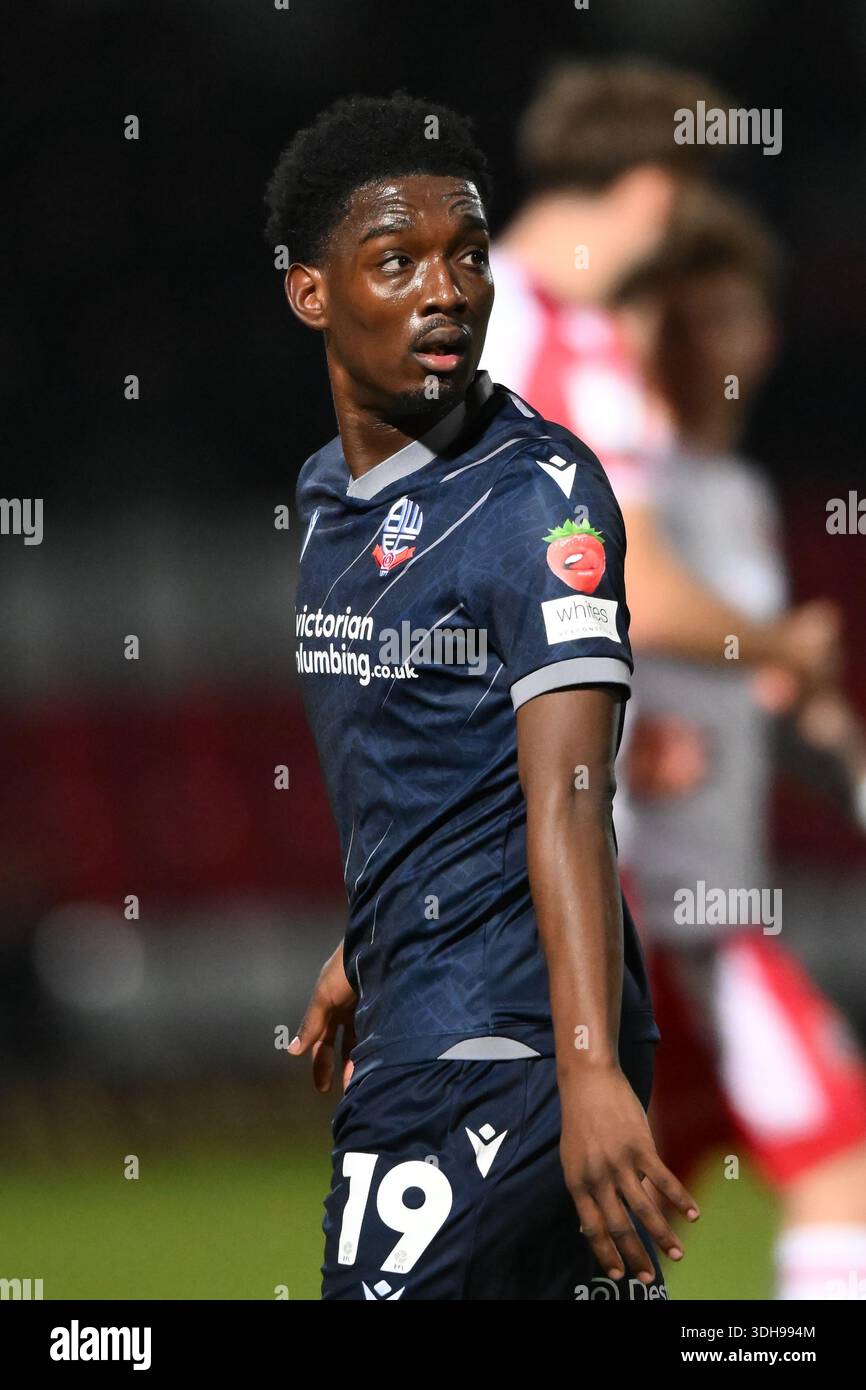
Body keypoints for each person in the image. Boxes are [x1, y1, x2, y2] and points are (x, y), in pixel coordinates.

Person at [263, 89, 698, 1300]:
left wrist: (587, 1074)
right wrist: (368, 937)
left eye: (464, 256)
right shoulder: (329, 503)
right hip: (436, 1012)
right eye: (396, 262)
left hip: (498, 1049)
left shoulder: (535, 500)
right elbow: (425, 755)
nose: (445, 291)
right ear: (311, 293)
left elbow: (566, 796)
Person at [610, 188, 866, 1302]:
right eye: (687, 316)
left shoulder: (735, 496)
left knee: (597, 1225)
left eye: (732, 315)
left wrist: (829, 742)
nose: (714, 342)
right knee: (842, 1159)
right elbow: (638, 604)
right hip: (655, 910)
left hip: (705, 904)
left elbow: (762, 692)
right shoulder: (628, 475)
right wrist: (777, 649)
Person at [479, 59, 839, 704]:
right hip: (519, 784)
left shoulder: (437, 311)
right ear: (656, 192)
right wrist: (787, 648)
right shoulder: (572, 352)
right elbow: (630, 590)